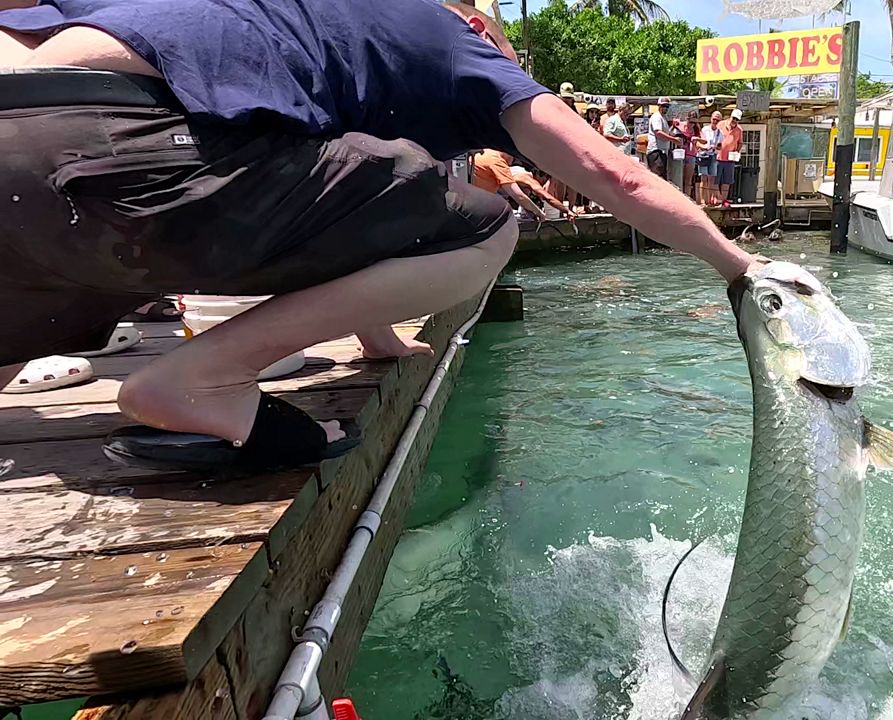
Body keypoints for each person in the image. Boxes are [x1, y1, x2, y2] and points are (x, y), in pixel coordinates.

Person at [0, 1, 760, 472]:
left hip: (23, 149)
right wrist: (739, 268)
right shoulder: (458, 41)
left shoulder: (319, 27)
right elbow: (613, 175)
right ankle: (200, 378)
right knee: (490, 228)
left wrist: (380, 340)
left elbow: (336, 203)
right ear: (479, 27)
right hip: (136, 151)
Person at [472, 149, 547, 222]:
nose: (511, 163)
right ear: (509, 152)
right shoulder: (496, 161)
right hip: (479, 208)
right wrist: (538, 212)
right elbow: (519, 196)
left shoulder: (486, 153)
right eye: (514, 158)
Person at [509, 165, 577, 220]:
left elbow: (523, 199)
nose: (544, 182)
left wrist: (535, 215)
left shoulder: (520, 172)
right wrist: (566, 211)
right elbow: (547, 197)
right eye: (546, 178)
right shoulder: (529, 180)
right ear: (538, 174)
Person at [645, 97, 681, 182]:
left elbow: (666, 133)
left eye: (667, 106)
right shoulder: (657, 117)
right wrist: (673, 139)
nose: (665, 108)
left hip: (662, 151)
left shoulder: (663, 118)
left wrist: (673, 126)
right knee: (658, 178)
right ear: (659, 106)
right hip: (656, 151)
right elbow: (658, 133)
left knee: (662, 177)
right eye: (664, 106)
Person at [718, 109, 745, 206]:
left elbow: (740, 142)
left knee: (727, 180)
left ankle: (723, 199)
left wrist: (736, 151)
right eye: (734, 118)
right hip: (718, 157)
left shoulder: (739, 129)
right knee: (716, 179)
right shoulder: (721, 124)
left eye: (737, 119)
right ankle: (717, 199)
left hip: (730, 159)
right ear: (730, 116)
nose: (734, 121)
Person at [698, 111, 723, 206]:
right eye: (714, 119)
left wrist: (717, 147)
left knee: (712, 179)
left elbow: (720, 146)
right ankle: (702, 200)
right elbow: (700, 142)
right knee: (703, 178)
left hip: (713, 156)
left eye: (717, 120)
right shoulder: (705, 129)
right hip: (704, 155)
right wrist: (706, 147)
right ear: (711, 119)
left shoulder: (720, 133)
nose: (715, 121)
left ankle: (710, 200)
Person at [675, 110, 700, 202]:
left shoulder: (696, 129)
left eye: (694, 122)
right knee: (678, 178)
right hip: (679, 155)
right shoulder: (680, 125)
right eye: (691, 122)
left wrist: (697, 141)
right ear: (687, 119)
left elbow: (703, 140)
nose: (692, 124)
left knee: (688, 180)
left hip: (691, 155)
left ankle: (687, 199)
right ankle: (678, 198)